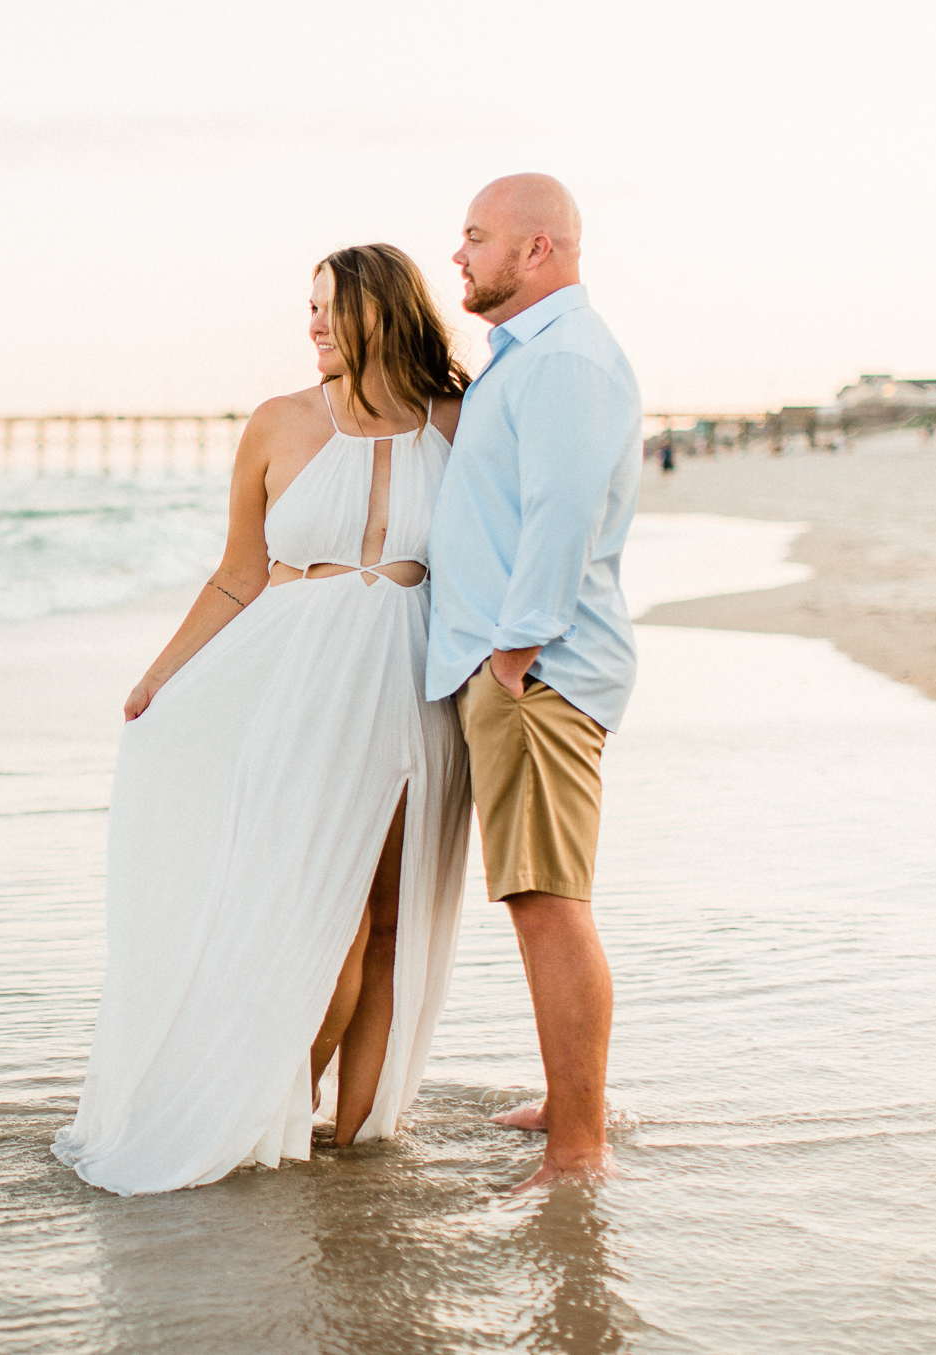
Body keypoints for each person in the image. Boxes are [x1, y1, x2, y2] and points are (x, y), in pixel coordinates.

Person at [53, 244, 472, 1195]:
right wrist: (159, 677)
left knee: (394, 920)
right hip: (298, 689)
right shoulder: (279, 422)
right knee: (328, 923)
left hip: (419, 686)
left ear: (385, 311)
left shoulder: (457, 420)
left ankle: (359, 1150)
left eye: (332, 305)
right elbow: (239, 573)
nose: (314, 323)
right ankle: (267, 1111)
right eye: (310, 305)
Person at [426, 174, 643, 1191]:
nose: (458, 256)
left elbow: (565, 512)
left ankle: (578, 1149)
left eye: (476, 237)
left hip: (535, 675)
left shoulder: (563, 359)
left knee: (547, 901)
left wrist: (514, 648)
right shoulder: (526, 358)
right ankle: (568, 1106)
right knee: (539, 897)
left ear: (538, 249)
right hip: (520, 668)